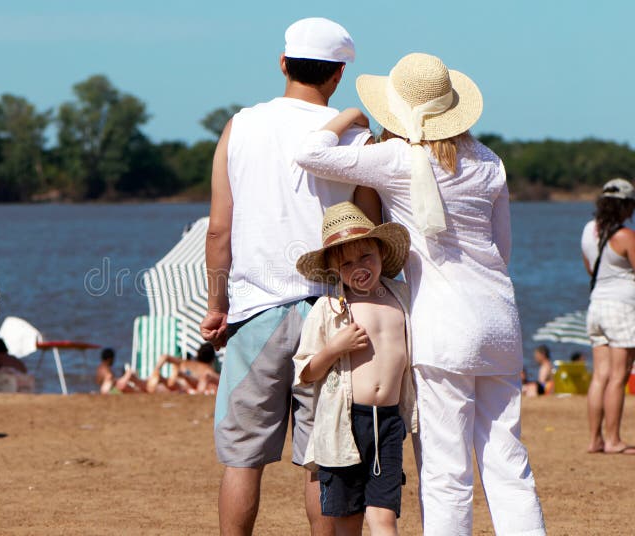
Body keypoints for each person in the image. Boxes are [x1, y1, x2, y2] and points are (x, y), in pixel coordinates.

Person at [295, 53, 545, 534]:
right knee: (508, 463)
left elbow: (311, 154)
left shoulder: (396, 158)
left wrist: (347, 116)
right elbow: (503, 250)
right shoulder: (490, 162)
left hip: (444, 327)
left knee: (447, 473)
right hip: (498, 319)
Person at [201, 17, 381, 535]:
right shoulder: (354, 137)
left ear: (283, 63)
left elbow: (219, 231)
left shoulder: (240, 126)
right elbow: (371, 229)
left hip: (255, 311)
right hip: (330, 312)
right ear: (339, 74)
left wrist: (218, 306)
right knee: (323, 455)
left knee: (242, 458)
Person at [293, 202, 415, 535]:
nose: (359, 267)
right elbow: (305, 372)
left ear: (381, 253)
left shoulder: (401, 297)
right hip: (345, 422)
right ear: (334, 270)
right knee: (347, 522)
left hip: (389, 423)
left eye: (366, 257)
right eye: (346, 263)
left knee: (383, 516)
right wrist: (334, 348)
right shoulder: (328, 309)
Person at [581, 177, 635, 455]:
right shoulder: (626, 236)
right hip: (622, 309)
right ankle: (613, 439)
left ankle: (595, 440)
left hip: (596, 306)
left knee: (600, 376)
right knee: (618, 376)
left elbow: (591, 268)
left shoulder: (590, 230)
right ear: (625, 206)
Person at [146, 343, 220, 394]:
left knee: (157, 387)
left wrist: (156, 370)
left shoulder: (185, 362)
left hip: (181, 375)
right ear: (212, 360)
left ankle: (162, 379)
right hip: (187, 383)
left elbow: (165, 356)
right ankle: (181, 375)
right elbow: (208, 377)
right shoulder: (208, 369)